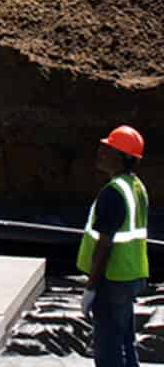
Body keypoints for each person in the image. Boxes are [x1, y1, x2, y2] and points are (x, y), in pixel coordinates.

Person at [77, 125, 148, 367]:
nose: (100, 152)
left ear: (121, 157)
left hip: (112, 279)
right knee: (125, 341)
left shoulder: (114, 193)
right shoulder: (135, 186)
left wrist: (91, 288)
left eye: (108, 149)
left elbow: (104, 245)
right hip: (130, 275)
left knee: (108, 350)